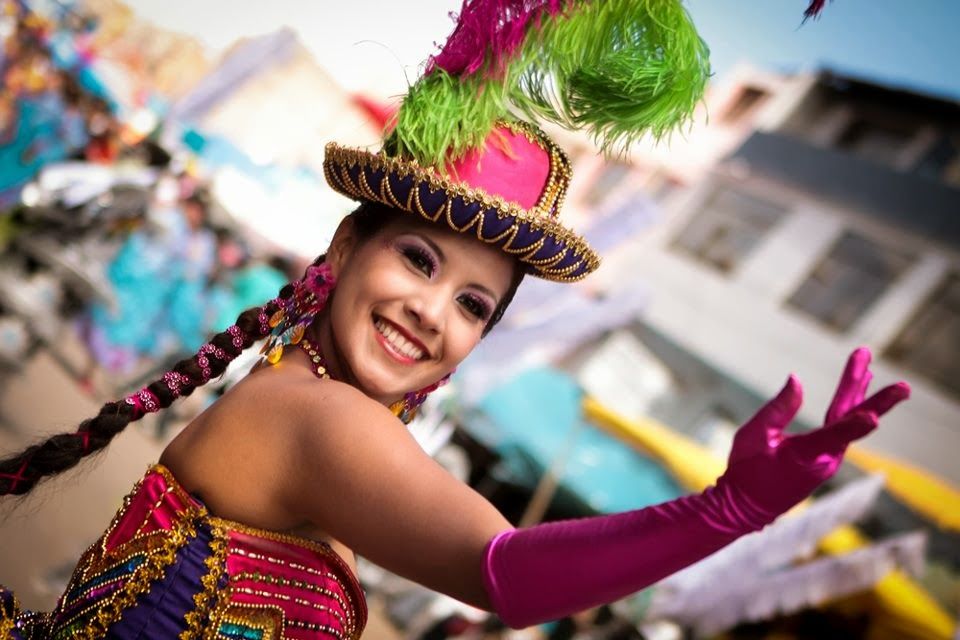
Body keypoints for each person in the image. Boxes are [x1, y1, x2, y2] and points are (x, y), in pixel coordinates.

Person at [0, 1, 909, 638]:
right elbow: (507, 575)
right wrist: (727, 509)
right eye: (417, 258)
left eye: (475, 303)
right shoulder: (318, 418)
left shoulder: (300, 402)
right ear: (346, 248)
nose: (431, 312)